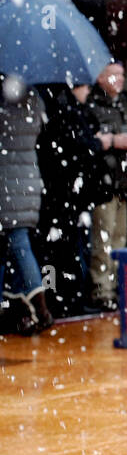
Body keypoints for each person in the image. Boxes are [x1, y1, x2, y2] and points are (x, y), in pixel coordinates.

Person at [35, 84, 101, 319]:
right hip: (66, 195)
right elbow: (81, 150)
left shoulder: (54, 110)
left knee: (56, 251)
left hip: (57, 194)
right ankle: (68, 299)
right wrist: (98, 143)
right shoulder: (68, 113)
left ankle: (57, 298)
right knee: (69, 250)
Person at [86, 62, 127, 311]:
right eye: (114, 74)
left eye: (121, 74)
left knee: (120, 238)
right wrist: (112, 141)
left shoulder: (123, 103)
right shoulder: (94, 106)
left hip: (123, 183)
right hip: (104, 184)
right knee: (103, 240)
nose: (119, 79)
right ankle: (102, 291)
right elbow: (91, 142)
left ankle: (118, 289)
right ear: (100, 78)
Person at [1, 79, 52, 334]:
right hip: (29, 181)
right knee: (17, 244)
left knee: (18, 245)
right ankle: (23, 310)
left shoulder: (4, 102)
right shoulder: (35, 97)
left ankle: (40, 310)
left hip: (6, 183)